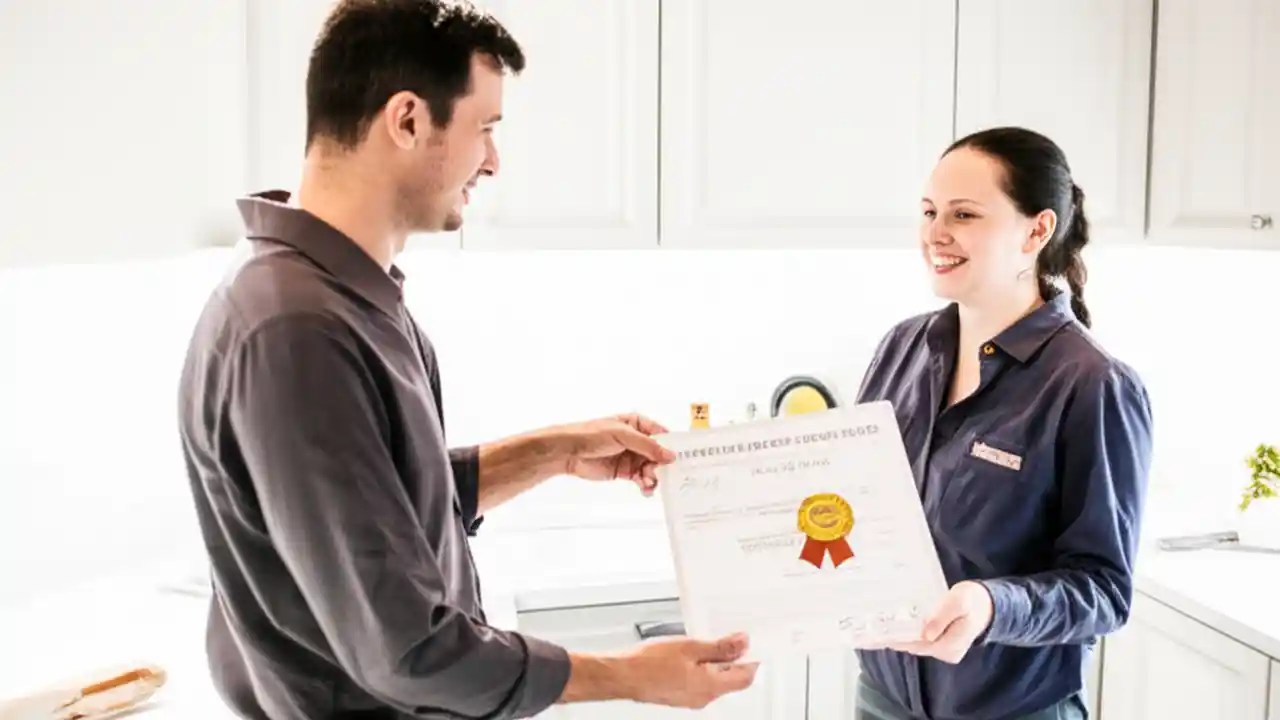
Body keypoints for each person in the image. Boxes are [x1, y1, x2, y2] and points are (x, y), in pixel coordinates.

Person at [175, 1, 757, 718]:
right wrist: (630, 675)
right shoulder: (294, 331)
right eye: (484, 128)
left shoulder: (341, 298)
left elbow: (384, 511)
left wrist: (555, 453)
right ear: (409, 120)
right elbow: (408, 650)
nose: (493, 160)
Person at [851, 127, 1154, 719]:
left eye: (964, 214)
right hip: (883, 699)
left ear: (1037, 231)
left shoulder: (1092, 385)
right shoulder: (901, 349)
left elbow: (1104, 591)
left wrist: (991, 607)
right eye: (930, 211)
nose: (936, 233)